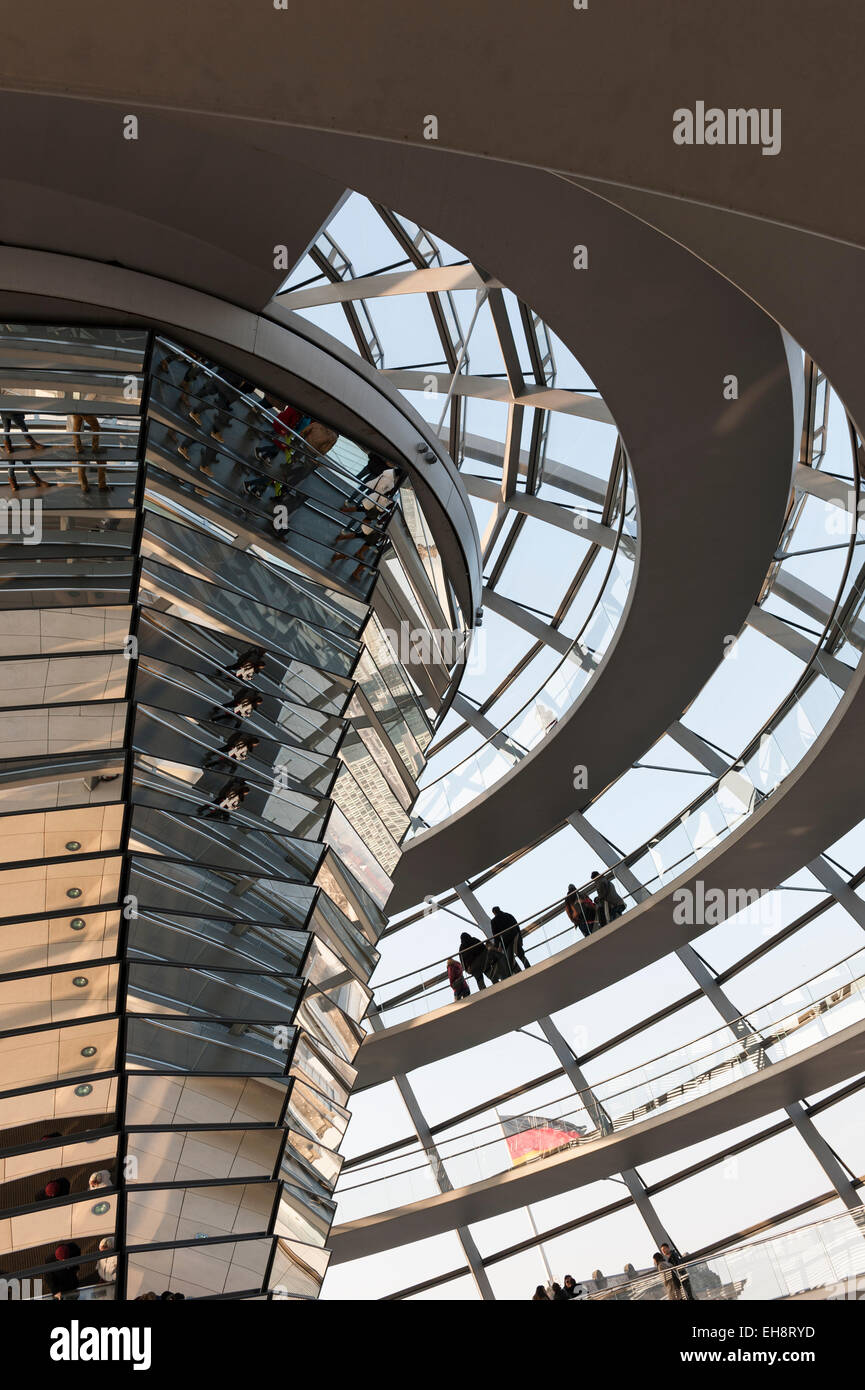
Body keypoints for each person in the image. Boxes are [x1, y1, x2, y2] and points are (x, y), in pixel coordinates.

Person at [2, 409, 50, 490]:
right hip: (13, 412)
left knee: (6, 429)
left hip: (5, 411)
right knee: (23, 427)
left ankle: (8, 446)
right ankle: (37, 481)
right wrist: (21, 414)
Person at [490, 905, 530, 976]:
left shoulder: (494, 921)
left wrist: (497, 946)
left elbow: (495, 935)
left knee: (510, 960)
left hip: (506, 942)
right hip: (515, 936)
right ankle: (528, 968)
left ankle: (519, 974)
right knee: (521, 955)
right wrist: (520, 939)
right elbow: (517, 926)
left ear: (494, 913)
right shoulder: (508, 915)